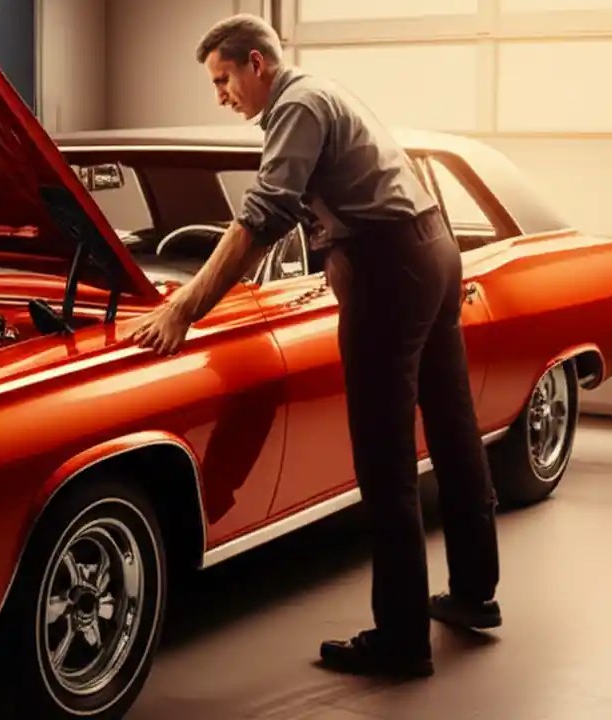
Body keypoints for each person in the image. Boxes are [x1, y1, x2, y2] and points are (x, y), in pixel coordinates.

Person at [128, 14, 503, 678]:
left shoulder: (295, 105)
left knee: (384, 459)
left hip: (388, 269)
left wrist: (184, 307)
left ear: (255, 65)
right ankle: (474, 595)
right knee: (452, 430)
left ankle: (401, 640)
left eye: (222, 80)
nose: (221, 96)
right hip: (431, 253)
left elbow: (261, 219)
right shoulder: (322, 91)